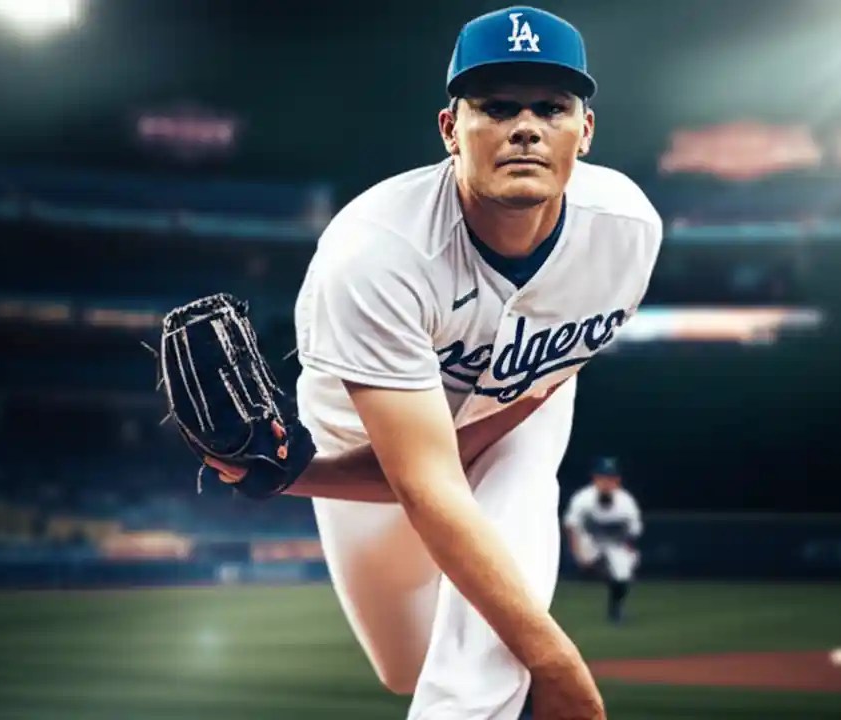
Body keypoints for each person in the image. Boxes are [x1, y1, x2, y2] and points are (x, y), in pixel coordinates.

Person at [206, 6, 662, 718]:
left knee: (512, 520)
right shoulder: (376, 255)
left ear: (586, 131)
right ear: (451, 129)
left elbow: (526, 408)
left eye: (552, 107)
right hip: (363, 440)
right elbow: (424, 481)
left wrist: (547, 659)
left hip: (515, 409)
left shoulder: (628, 233)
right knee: (405, 665)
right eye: (497, 106)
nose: (526, 127)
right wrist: (299, 474)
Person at [563, 457, 643, 624]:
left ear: (617, 480)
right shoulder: (583, 498)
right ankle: (593, 572)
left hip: (615, 543)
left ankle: (616, 609)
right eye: (602, 477)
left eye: (611, 478)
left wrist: (629, 550)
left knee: (623, 572)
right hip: (589, 540)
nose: (606, 482)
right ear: (595, 479)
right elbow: (571, 525)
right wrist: (575, 550)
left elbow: (634, 530)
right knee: (587, 560)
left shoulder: (626, 503)